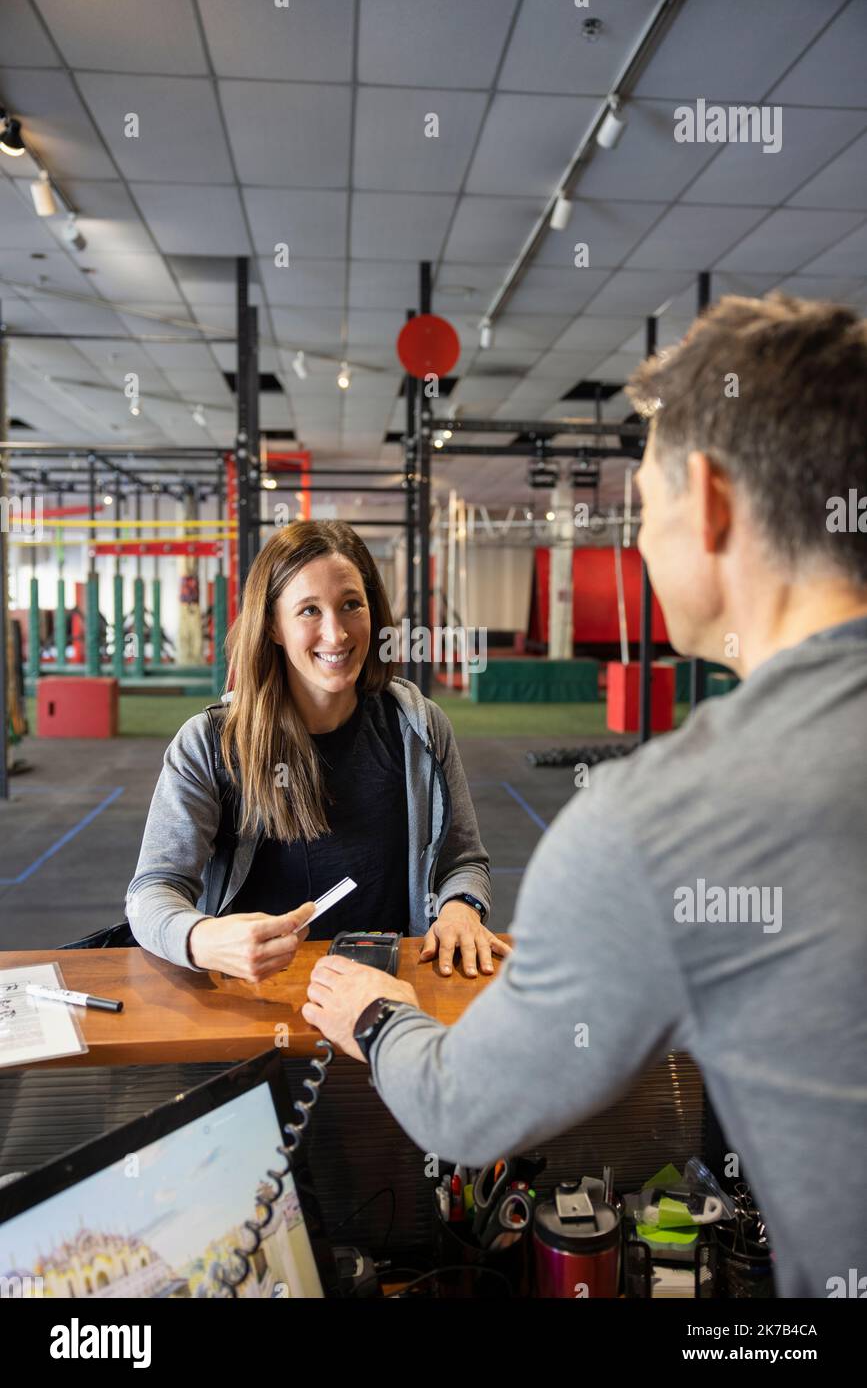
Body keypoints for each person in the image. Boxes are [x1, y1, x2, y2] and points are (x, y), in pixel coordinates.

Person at [302, 294, 867, 1299]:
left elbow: (465, 1108)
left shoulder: (664, 824)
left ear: (711, 498)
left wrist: (381, 1014)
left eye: (647, 503)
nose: (643, 543)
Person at [126, 520, 501, 982]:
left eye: (350, 606)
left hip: (386, 997)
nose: (337, 634)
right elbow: (151, 891)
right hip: (253, 1000)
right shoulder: (209, 744)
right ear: (273, 626)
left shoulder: (419, 728)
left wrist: (461, 908)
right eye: (308, 611)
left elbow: (462, 861)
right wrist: (201, 937)